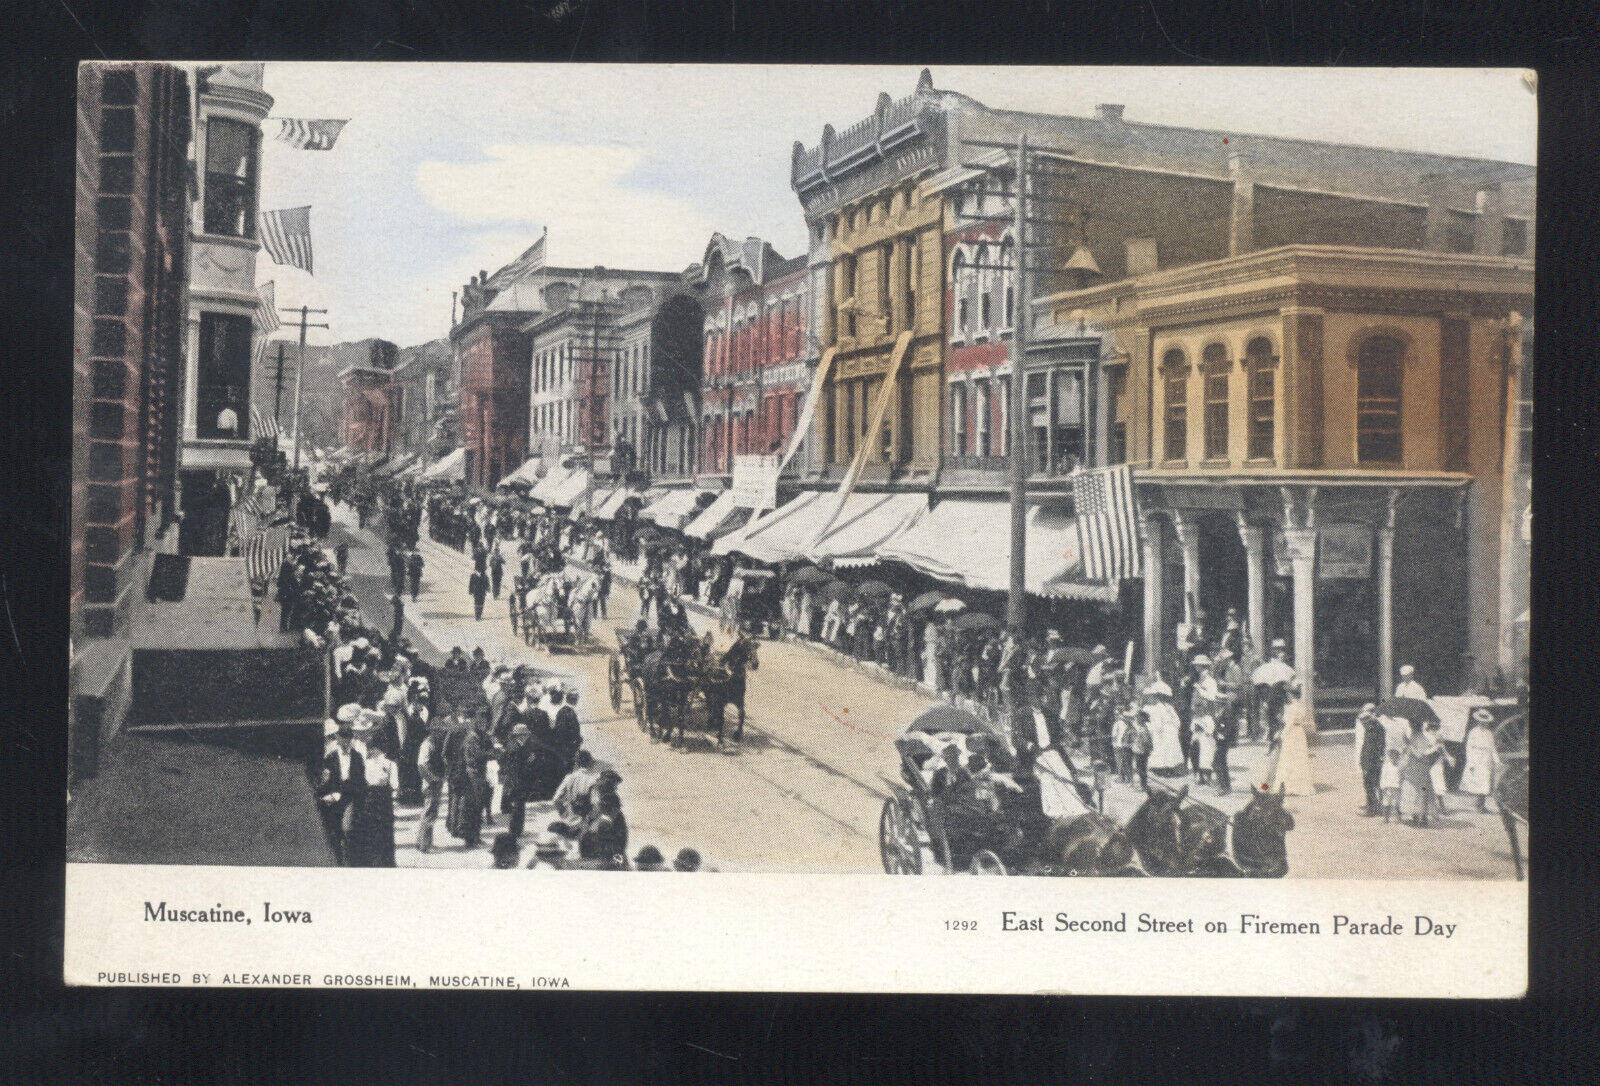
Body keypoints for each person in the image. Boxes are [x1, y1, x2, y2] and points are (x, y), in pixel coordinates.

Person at [316, 722, 366, 864]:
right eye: (343, 738)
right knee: (335, 830)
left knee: (347, 828)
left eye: (348, 738)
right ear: (337, 738)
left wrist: (358, 796)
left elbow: (360, 780)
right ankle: (338, 860)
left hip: (350, 795)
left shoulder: (357, 757)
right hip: (335, 796)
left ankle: (350, 860)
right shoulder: (330, 758)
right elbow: (327, 780)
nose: (345, 741)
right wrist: (329, 794)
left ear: (351, 739)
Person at [347, 738, 397, 867]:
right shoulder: (390, 764)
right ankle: (385, 862)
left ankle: (372, 862)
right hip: (384, 802)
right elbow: (394, 785)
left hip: (369, 801)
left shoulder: (365, 764)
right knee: (384, 833)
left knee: (370, 831)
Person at [1260, 681, 1315, 796]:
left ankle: (1266, 788)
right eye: (1287, 692)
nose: (1288, 695)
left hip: (1281, 735)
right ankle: (1265, 787)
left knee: (1275, 764)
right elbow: (1277, 721)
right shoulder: (1278, 705)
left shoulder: (1276, 705)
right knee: (1274, 764)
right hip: (1279, 735)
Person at [1459, 708, 1501, 812]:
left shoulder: (1489, 733)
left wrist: (1497, 761)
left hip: (1486, 758)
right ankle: (1478, 806)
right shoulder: (1473, 732)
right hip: (1476, 757)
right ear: (1478, 721)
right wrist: (1471, 762)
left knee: (1485, 781)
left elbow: (1492, 748)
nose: (1483, 723)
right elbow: (1469, 748)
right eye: (1481, 722)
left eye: (1485, 722)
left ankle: (1482, 805)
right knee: (1477, 781)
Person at [415, 723, 448, 854]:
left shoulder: (434, 743)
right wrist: (432, 778)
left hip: (435, 781)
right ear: (433, 731)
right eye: (439, 731)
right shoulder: (427, 744)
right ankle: (424, 844)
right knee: (429, 812)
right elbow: (421, 764)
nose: (441, 734)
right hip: (431, 783)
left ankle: (424, 841)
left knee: (431, 812)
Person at [1355, 703, 1387, 815]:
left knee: (1370, 784)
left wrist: (1366, 762)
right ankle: (1377, 805)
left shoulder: (1374, 728)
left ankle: (1372, 808)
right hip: (1371, 760)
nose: (1363, 722)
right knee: (1374, 784)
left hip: (1371, 761)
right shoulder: (1376, 727)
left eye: (1365, 719)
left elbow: (1372, 747)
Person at [1130, 710, 1153, 790]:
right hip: (1139, 750)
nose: (1136, 720)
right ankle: (1143, 784)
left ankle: (1143, 785)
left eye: (1138, 718)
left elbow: (1146, 741)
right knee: (1140, 768)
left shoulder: (1143, 729)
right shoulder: (1141, 727)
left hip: (1141, 751)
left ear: (1141, 719)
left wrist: (1139, 742)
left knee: (1141, 768)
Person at [1379, 748, 1403, 822]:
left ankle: (1398, 817)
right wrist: (1383, 786)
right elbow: (1383, 777)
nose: (1394, 759)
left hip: (1397, 787)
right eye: (1392, 757)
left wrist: (1401, 785)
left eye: (1396, 757)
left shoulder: (1399, 767)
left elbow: (1401, 777)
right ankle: (1386, 817)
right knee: (1387, 802)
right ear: (1389, 757)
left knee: (1397, 802)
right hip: (1388, 787)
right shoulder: (1386, 766)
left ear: (1398, 758)